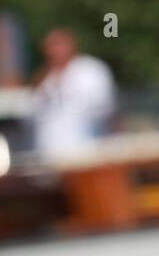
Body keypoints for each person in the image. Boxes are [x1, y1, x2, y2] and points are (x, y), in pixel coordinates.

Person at [30, 28, 116, 159]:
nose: (53, 51)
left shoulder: (90, 70)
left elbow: (102, 106)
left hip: (86, 153)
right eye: (49, 46)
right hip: (49, 156)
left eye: (58, 44)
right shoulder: (45, 78)